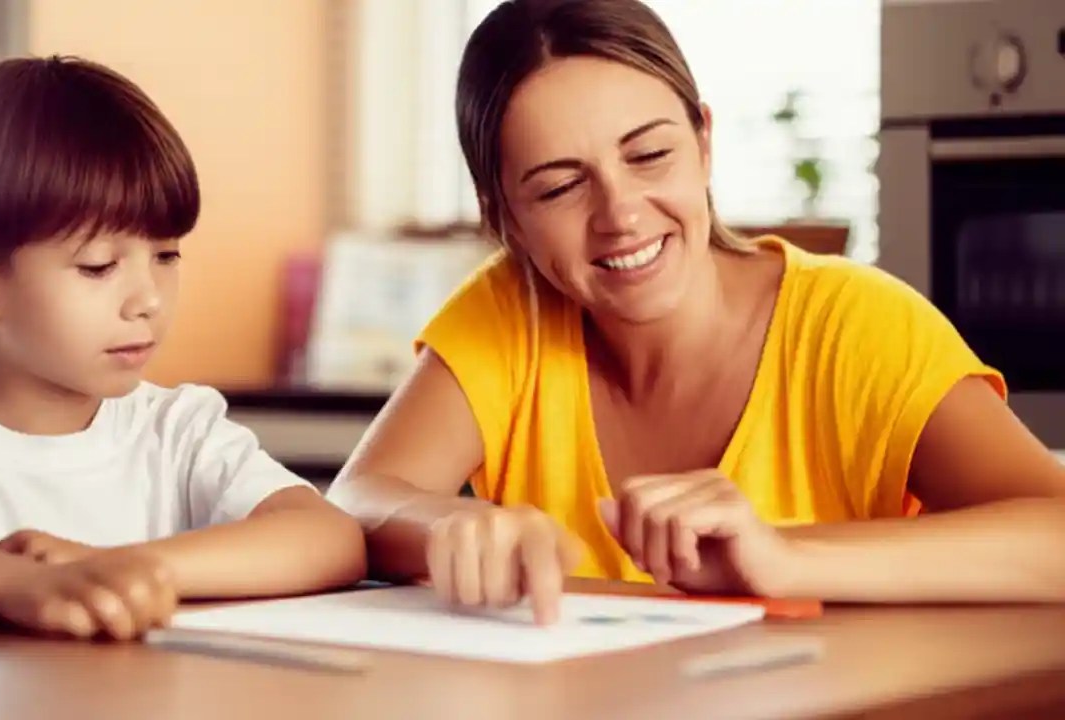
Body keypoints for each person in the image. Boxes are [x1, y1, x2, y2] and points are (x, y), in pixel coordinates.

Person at [326, 0, 1065, 625]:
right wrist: (456, 524)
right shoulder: (507, 314)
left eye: (649, 156)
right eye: (558, 188)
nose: (620, 215)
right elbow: (358, 498)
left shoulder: (854, 323)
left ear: (704, 143)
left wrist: (784, 556)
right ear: (504, 218)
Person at [0, 56, 366, 641]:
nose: (148, 299)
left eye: (167, 256)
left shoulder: (177, 427)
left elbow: (329, 539)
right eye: (98, 267)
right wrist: (22, 587)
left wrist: (129, 568)